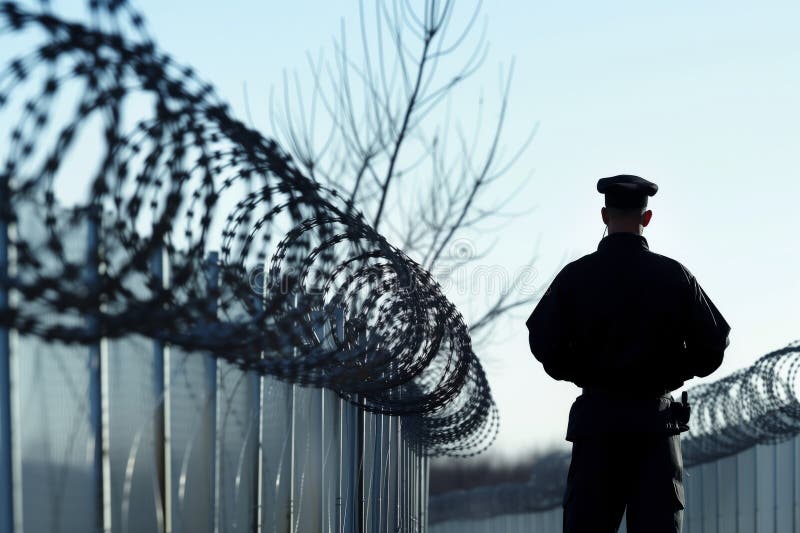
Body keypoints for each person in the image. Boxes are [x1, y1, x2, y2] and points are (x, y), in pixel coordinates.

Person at [525, 175, 730, 533]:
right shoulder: (674, 276)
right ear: (646, 218)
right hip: (654, 427)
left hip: (597, 425)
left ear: (604, 216)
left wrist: (584, 372)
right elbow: (714, 343)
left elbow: (542, 340)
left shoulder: (576, 277)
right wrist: (670, 372)